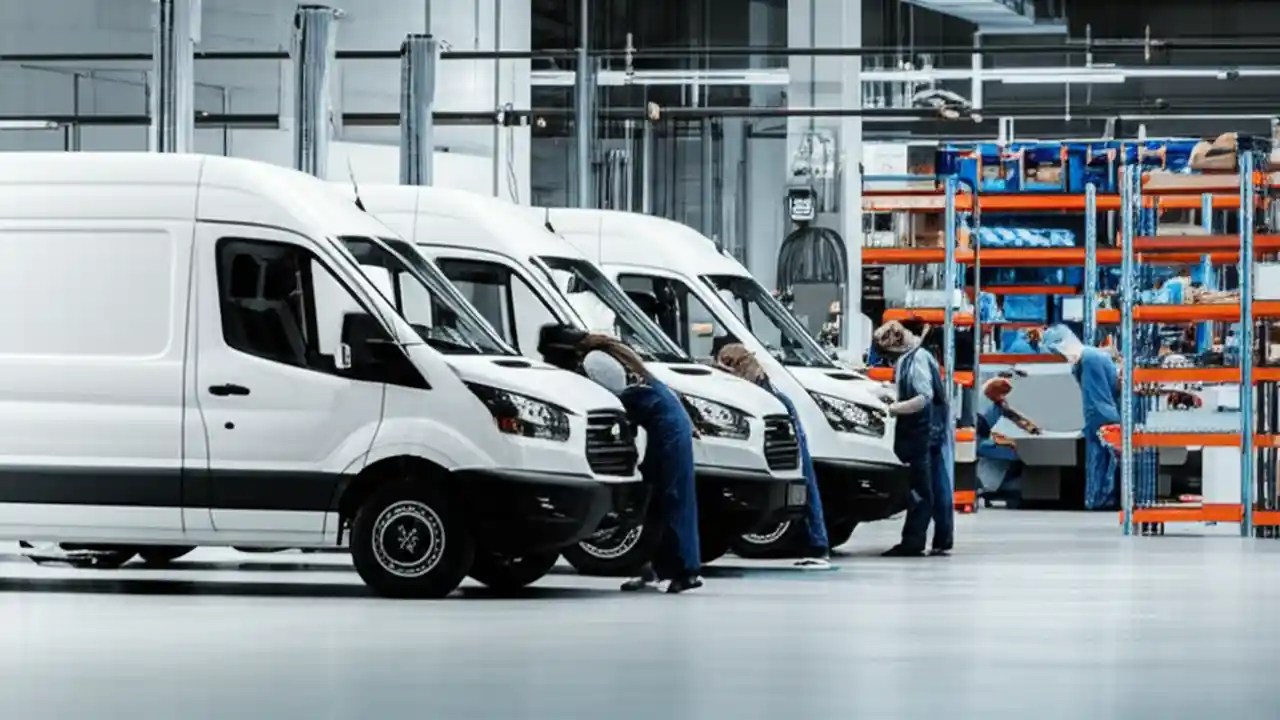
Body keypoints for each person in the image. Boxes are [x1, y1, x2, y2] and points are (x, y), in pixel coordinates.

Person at [578, 335, 703, 593]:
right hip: (669, 430)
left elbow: (615, 403)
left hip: (667, 434)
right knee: (655, 503)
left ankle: (688, 571)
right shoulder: (632, 368)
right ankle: (652, 568)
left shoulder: (603, 365)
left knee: (675, 500)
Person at [714, 340, 831, 567]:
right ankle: (818, 544)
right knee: (807, 484)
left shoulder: (751, 383)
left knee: (806, 485)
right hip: (789, 422)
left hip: (784, 427)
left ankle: (818, 545)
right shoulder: (760, 376)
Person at [872, 320, 954, 557]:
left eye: (887, 355)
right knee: (939, 487)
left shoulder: (915, 360)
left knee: (920, 490)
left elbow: (923, 397)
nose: (887, 360)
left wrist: (894, 408)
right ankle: (942, 539)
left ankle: (913, 541)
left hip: (922, 432)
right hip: (933, 431)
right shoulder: (919, 355)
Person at [1040, 324, 1121, 510]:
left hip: (1101, 417)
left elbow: (1097, 398)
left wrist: (1098, 423)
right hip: (1103, 415)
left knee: (1100, 461)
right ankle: (1100, 499)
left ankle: (1098, 500)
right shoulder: (1092, 357)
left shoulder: (1089, 360)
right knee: (1103, 461)